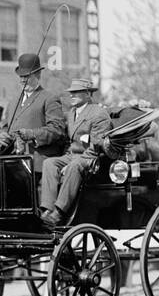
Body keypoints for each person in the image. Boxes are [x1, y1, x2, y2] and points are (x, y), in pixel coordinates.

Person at [39, 79, 111, 226]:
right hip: (72, 155)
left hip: (90, 157)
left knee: (75, 165)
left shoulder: (98, 113)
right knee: (49, 163)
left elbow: (96, 145)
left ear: (87, 94)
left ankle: (59, 212)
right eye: (71, 92)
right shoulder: (71, 113)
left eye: (76, 92)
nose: (72, 95)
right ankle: (47, 209)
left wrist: (71, 162)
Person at [0, 52, 66, 173]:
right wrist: (2, 136)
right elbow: (5, 127)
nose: (23, 80)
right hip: (14, 163)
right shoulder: (13, 102)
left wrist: (31, 134)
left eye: (27, 76)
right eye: (21, 77)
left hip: (38, 164)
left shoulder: (49, 98)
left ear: (38, 75)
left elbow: (57, 130)